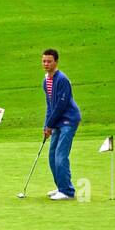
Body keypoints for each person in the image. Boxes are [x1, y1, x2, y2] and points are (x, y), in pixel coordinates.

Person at [41, 48, 81, 200]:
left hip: (69, 120)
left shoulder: (62, 79)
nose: (46, 64)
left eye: (49, 61)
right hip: (56, 121)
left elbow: (60, 105)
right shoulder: (46, 81)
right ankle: (61, 187)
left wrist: (50, 124)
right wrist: (46, 125)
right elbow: (49, 105)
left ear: (56, 62)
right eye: (44, 61)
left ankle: (67, 191)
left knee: (61, 155)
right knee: (52, 155)